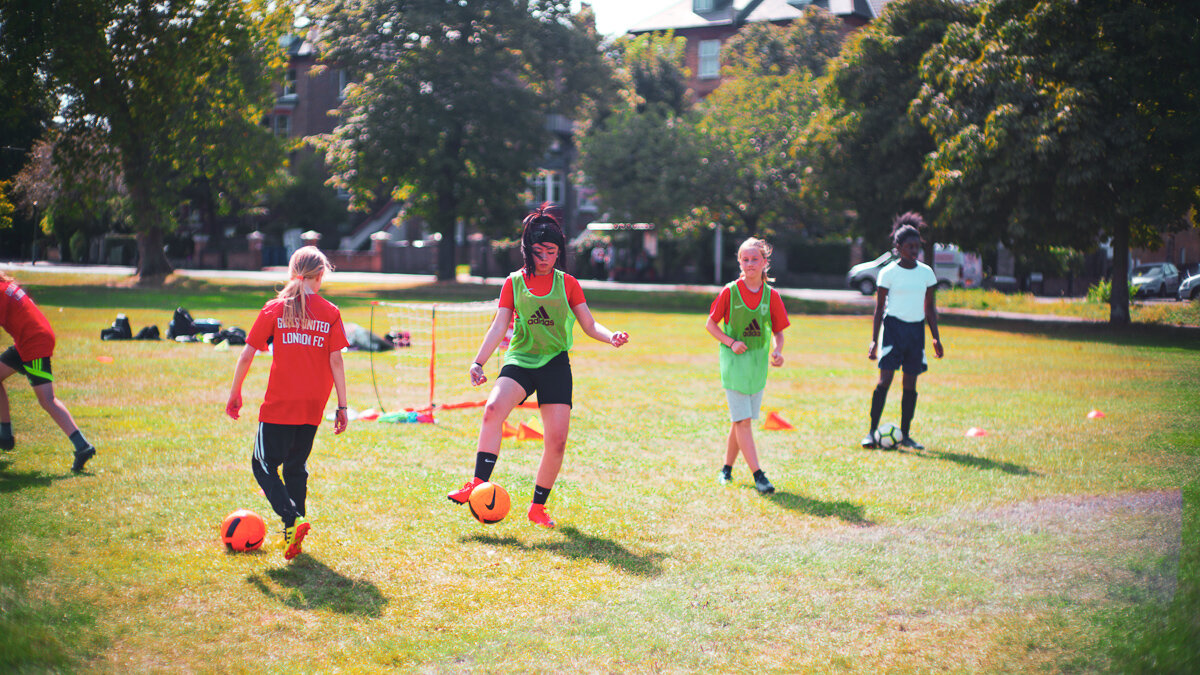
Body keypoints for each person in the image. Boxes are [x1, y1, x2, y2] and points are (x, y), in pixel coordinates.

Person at [447, 203, 630, 528]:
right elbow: (499, 325)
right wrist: (478, 361)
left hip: (555, 364)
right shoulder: (514, 283)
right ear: (527, 251)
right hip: (521, 360)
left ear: (559, 252)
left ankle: (537, 507)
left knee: (556, 440)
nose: (544, 257)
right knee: (492, 410)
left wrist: (610, 336)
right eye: (538, 251)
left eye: (551, 251)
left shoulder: (568, 283)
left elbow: (589, 325)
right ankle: (476, 484)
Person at [226, 247, 349, 560]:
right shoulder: (331, 312)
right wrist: (342, 406)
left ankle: (291, 519)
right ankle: (294, 536)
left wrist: (235, 392)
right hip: (313, 404)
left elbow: (247, 353)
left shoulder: (275, 307)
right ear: (320, 276)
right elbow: (337, 361)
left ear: (292, 270)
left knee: (262, 465)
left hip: (281, 403)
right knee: (295, 467)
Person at [704, 238, 789, 494]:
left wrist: (778, 351)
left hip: (756, 367)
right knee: (743, 421)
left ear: (765, 263)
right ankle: (759, 476)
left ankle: (726, 469)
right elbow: (710, 325)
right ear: (739, 261)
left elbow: (779, 331)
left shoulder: (771, 295)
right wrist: (731, 342)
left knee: (739, 421)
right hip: (733, 364)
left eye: (755, 259)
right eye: (745, 259)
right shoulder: (730, 291)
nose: (750, 263)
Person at [862, 212, 945, 450]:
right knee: (885, 380)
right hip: (893, 330)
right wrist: (873, 341)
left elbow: (930, 308)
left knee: (910, 384)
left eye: (917, 247)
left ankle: (906, 435)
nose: (914, 251)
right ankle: (870, 432)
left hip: (915, 333)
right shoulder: (888, 273)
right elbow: (879, 309)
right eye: (909, 246)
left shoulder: (926, 273)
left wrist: (936, 338)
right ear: (898, 247)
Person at [0, 273, 97, 472]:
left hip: (34, 343)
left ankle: (83, 446)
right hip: (30, 340)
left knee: (47, 399)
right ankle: (5, 434)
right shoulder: (4, 287)